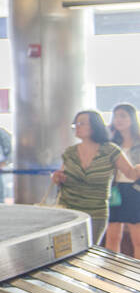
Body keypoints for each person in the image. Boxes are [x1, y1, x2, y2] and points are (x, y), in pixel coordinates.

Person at [51, 109, 139, 243]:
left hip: (96, 213)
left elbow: (131, 174)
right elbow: (60, 177)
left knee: (89, 252)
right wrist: (57, 178)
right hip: (69, 211)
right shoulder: (70, 152)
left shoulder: (110, 150)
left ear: (95, 125)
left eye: (82, 123)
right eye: (76, 124)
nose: (77, 127)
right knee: (67, 252)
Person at [105, 103, 140, 258]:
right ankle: (110, 275)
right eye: (116, 116)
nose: (118, 120)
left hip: (135, 190)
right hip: (114, 189)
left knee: (137, 238)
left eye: (123, 116)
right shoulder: (110, 143)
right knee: (112, 236)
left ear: (132, 118)